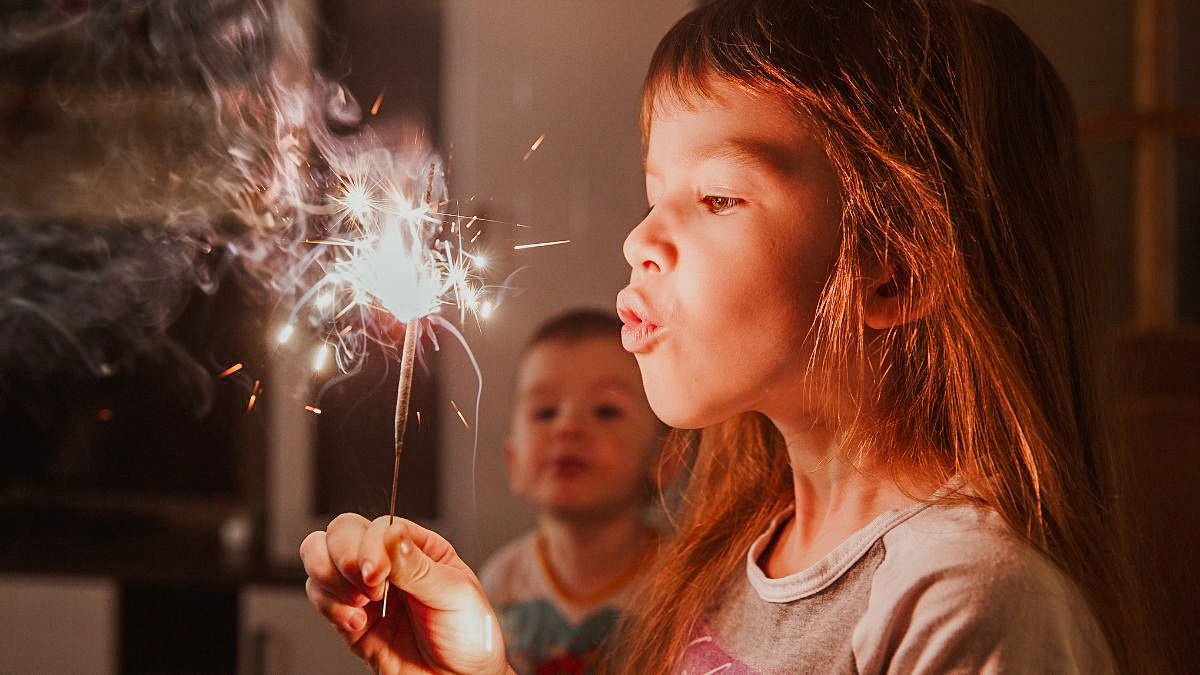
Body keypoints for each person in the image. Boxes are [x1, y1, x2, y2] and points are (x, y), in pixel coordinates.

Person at [298, 1, 1157, 672]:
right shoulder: (729, 561)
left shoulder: (965, 602)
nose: (638, 241)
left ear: (892, 273)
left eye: (716, 198)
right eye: (652, 192)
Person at [477, 309, 665, 673]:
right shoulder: (501, 583)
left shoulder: (684, 583)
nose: (568, 427)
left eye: (606, 411)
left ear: (665, 459)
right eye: (545, 412)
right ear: (513, 461)